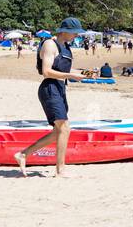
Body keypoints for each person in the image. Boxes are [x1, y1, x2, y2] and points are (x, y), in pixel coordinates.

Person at [15, 18, 86, 177]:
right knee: (64, 128)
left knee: (59, 132)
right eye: (74, 32)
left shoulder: (65, 47)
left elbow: (63, 67)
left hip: (60, 88)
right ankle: (60, 171)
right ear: (64, 30)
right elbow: (46, 71)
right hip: (50, 88)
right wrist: (70, 75)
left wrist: (83, 73)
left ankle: (23, 154)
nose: (76, 35)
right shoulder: (49, 44)